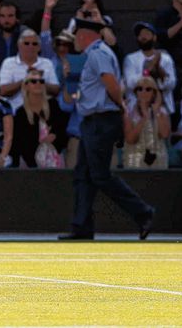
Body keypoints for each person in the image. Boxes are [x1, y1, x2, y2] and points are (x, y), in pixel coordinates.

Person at [61, 18, 155, 240]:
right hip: (93, 121)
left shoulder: (97, 53)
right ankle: (81, 226)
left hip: (101, 120)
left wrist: (120, 107)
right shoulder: (95, 54)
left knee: (100, 175)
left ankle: (143, 212)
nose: (75, 40)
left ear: (84, 35)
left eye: (76, 35)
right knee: (83, 175)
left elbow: (110, 82)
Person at [6, 69, 69, 168]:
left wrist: (55, 136)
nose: (38, 84)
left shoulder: (53, 105)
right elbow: (18, 143)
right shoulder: (21, 113)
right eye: (34, 81)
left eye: (41, 81)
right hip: (30, 162)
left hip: (54, 157)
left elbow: (62, 129)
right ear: (26, 85)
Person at [121, 76, 170, 169]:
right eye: (140, 89)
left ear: (154, 93)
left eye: (148, 89)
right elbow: (130, 139)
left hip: (158, 161)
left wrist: (156, 112)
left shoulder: (162, 112)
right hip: (134, 160)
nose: (143, 92)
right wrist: (144, 118)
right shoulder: (129, 112)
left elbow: (164, 134)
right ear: (136, 92)